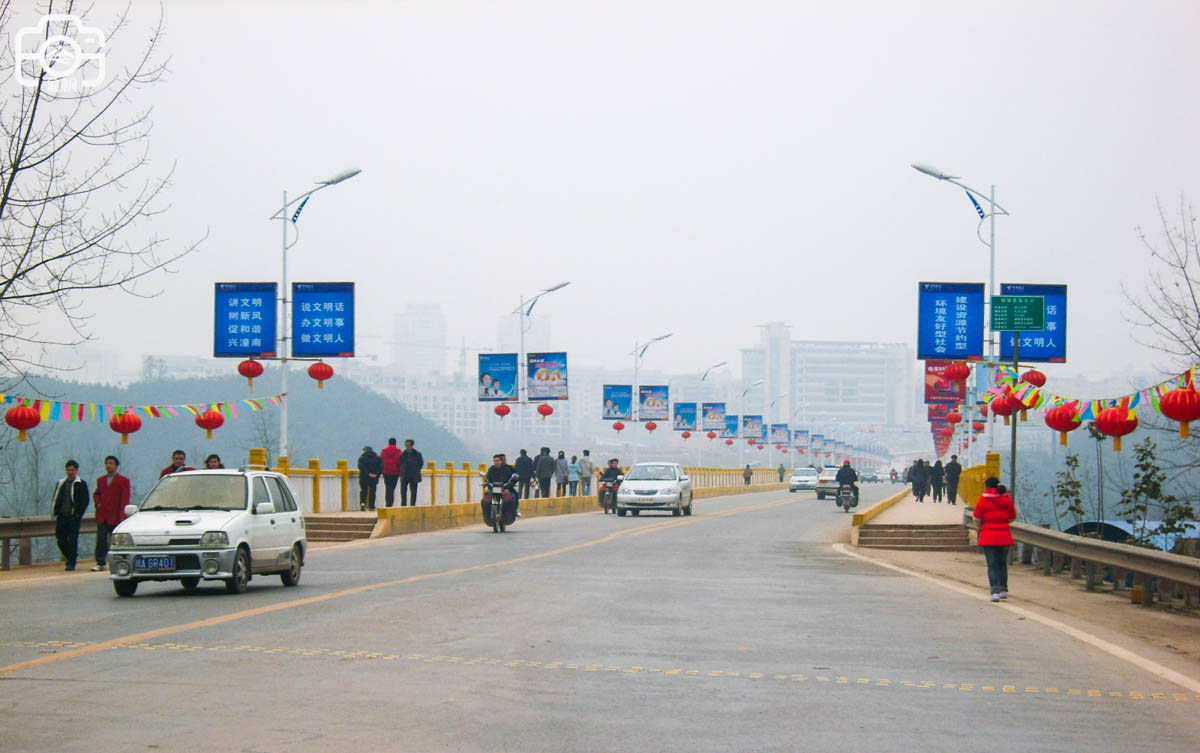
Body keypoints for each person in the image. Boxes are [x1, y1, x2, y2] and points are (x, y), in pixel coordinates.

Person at [974, 477, 1017, 602]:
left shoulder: (983, 498)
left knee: (992, 565)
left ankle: (995, 591)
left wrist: (980, 529)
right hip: (1004, 536)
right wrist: (1002, 522)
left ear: (987, 486)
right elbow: (1012, 517)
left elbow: (977, 517)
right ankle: (1003, 589)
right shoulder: (1006, 498)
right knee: (1002, 563)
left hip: (988, 537)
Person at [91, 455, 131, 571]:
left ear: (116, 466)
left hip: (116, 516)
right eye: (107, 463)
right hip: (103, 515)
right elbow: (97, 494)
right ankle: (100, 562)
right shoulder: (101, 480)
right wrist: (98, 503)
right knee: (101, 539)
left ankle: (119, 561)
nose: (109, 465)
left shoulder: (123, 481)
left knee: (117, 541)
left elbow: (125, 498)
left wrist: (123, 515)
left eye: (111, 463)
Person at [51, 460, 89, 571]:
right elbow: (56, 497)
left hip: (73, 517)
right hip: (62, 516)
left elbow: (85, 500)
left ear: (76, 471)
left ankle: (71, 563)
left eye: (72, 470)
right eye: (68, 470)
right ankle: (71, 556)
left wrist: (78, 514)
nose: (70, 472)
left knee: (73, 540)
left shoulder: (80, 484)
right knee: (60, 539)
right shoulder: (61, 483)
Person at [357, 445, 383, 511]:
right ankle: (371, 506)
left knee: (363, 491)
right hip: (373, 478)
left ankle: (363, 503)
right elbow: (381, 467)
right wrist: (376, 474)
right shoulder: (378, 458)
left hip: (364, 477)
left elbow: (361, 467)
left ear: (366, 451)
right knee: (372, 492)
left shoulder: (362, 458)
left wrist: (368, 473)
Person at [400, 439, 424, 507]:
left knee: (413, 491)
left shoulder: (417, 454)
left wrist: (416, 470)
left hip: (414, 475)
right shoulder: (402, 454)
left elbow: (421, 463)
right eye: (406, 445)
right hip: (405, 475)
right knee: (403, 491)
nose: (407, 447)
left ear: (412, 445)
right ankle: (403, 505)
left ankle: (412, 505)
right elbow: (400, 463)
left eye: (408, 445)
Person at [380, 437, 403, 507]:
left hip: (386, 472)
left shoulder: (383, 452)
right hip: (395, 472)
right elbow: (401, 462)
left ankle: (388, 503)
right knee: (392, 488)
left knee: (388, 488)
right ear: (395, 443)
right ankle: (390, 504)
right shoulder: (399, 452)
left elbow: (381, 462)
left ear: (389, 443)